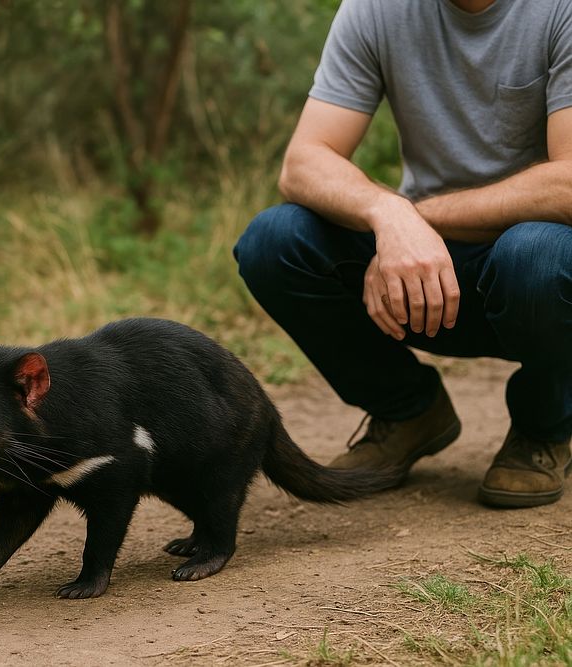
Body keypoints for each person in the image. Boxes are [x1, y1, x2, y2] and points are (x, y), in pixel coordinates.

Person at [233, 0, 572, 508]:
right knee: (273, 240)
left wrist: (414, 218)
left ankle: (544, 428)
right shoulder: (374, 9)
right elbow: (303, 163)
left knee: (536, 254)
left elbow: (568, 184)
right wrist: (386, 214)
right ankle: (409, 411)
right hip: (420, 282)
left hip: (538, 277)